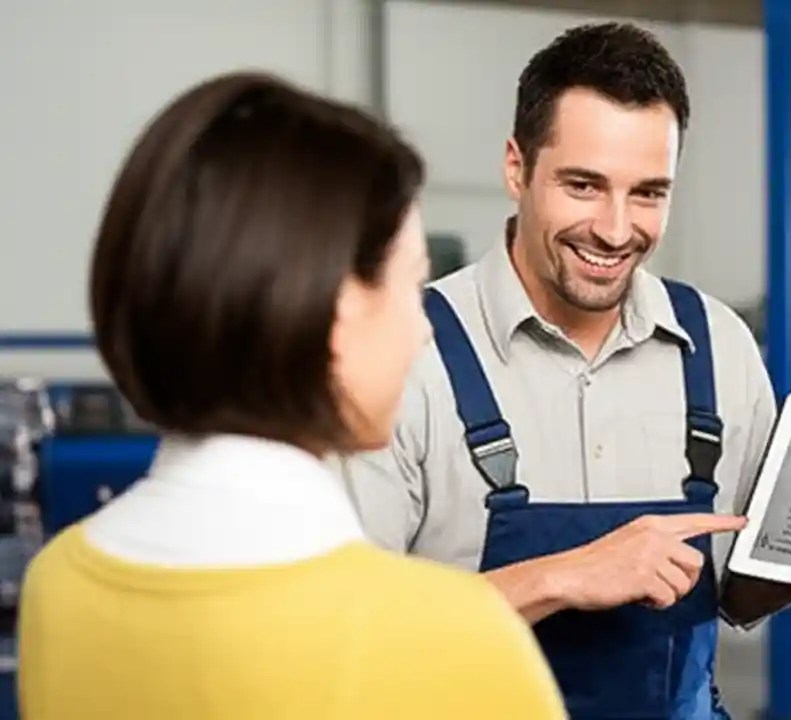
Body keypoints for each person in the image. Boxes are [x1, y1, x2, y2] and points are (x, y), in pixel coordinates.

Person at [339, 22, 791, 719]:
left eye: (649, 192)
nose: (616, 229)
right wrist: (563, 578)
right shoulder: (405, 353)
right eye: (584, 185)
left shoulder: (717, 344)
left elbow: (733, 595)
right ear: (516, 168)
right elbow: (354, 636)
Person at [17, 72, 565, 720]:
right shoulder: (454, 637)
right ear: (332, 312)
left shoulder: (57, 586)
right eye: (411, 287)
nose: (421, 332)